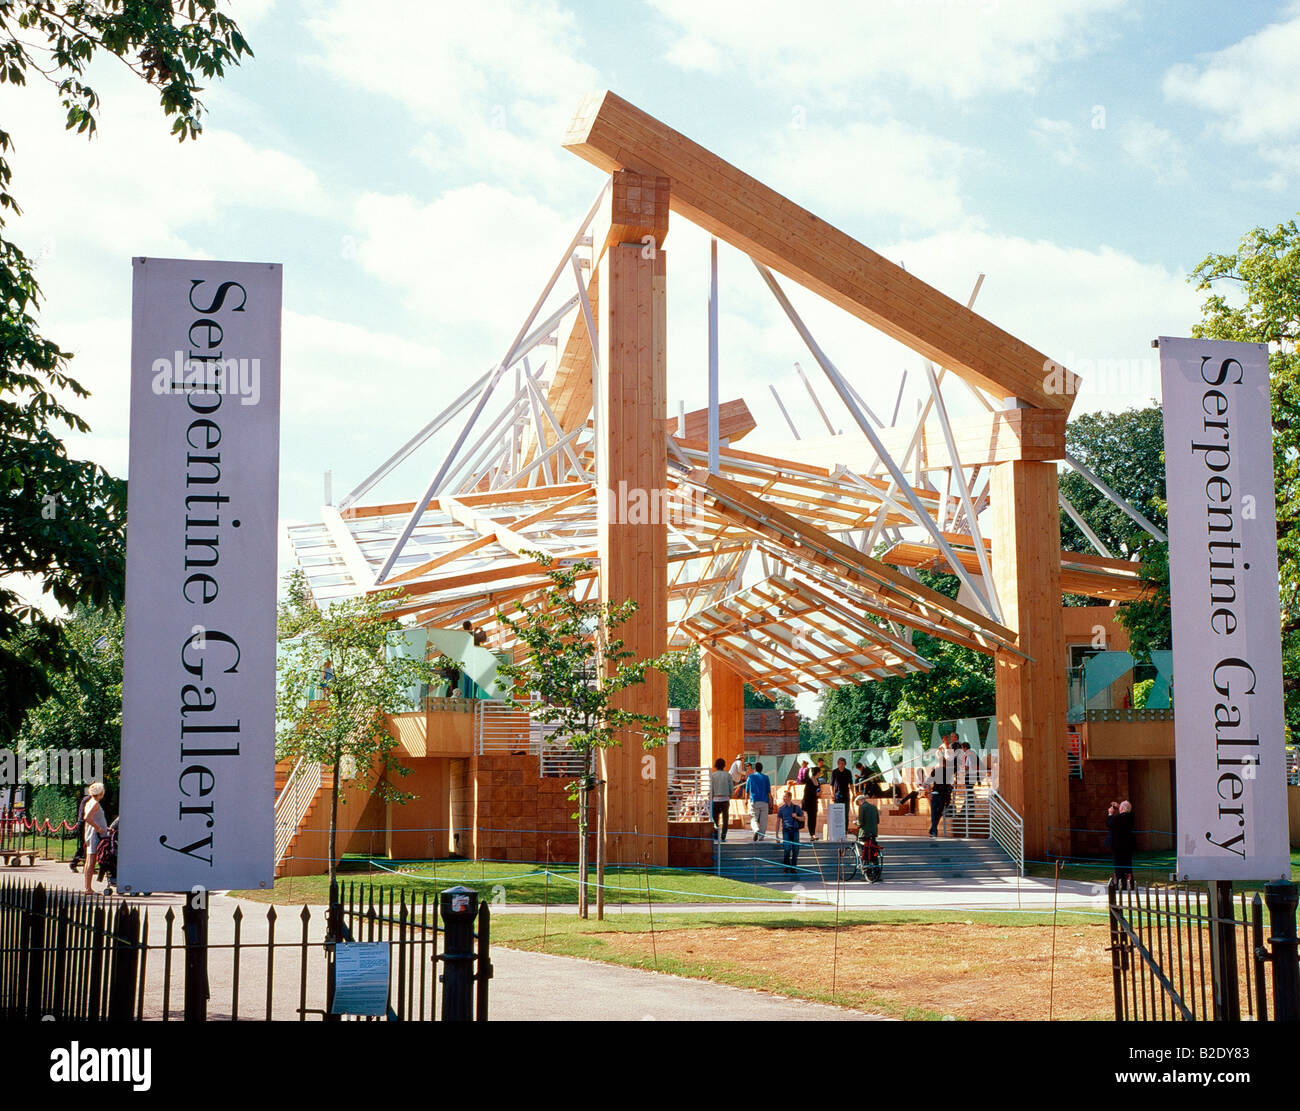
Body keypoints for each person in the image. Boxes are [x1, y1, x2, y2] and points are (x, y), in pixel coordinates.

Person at [82, 783, 108, 894]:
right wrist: (99, 828)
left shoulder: (89, 802)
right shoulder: (95, 803)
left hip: (91, 833)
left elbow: (94, 818)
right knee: (91, 860)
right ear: (101, 793)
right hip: (94, 834)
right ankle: (88, 888)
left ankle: (87, 887)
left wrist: (104, 827)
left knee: (89, 860)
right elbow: (87, 818)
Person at [1107, 800, 1136, 890]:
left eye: (1120, 808)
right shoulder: (1131, 817)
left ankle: (1120, 884)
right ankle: (1129, 883)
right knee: (1127, 864)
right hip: (1128, 845)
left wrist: (1110, 814)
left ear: (1122, 809)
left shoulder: (1117, 818)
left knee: (1118, 864)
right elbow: (1126, 812)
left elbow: (1109, 823)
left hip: (1118, 845)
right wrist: (1120, 806)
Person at [776, 790, 805, 872]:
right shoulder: (781, 809)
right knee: (787, 849)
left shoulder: (797, 808)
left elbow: (803, 819)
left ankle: (793, 867)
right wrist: (776, 835)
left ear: (789, 797)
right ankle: (786, 866)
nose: (783, 798)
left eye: (785, 796)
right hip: (786, 830)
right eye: (783, 796)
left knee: (796, 849)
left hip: (795, 830)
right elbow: (777, 822)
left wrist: (797, 817)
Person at [746, 761, 773, 841]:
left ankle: (756, 829)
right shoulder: (766, 777)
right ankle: (761, 837)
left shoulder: (750, 777)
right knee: (763, 821)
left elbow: (747, 790)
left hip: (754, 801)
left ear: (755, 769)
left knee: (753, 818)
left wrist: (746, 800)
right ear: (762, 769)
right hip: (764, 801)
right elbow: (769, 792)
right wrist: (770, 801)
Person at [710, 758, 734, 844]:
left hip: (715, 799)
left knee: (715, 818)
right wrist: (730, 795)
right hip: (725, 799)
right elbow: (731, 787)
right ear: (724, 765)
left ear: (716, 765)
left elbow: (711, 788)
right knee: (725, 819)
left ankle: (716, 835)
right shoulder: (727, 775)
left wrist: (711, 797)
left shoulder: (713, 775)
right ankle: (723, 835)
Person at [856, 792, 881, 873]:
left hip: (864, 833)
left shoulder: (862, 807)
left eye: (858, 803)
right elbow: (877, 821)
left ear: (860, 800)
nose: (858, 804)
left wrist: (856, 823)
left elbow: (861, 822)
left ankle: (867, 870)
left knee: (864, 850)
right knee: (873, 851)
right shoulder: (874, 807)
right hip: (873, 832)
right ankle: (876, 870)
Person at [829, 757, 854, 834]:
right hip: (837, 795)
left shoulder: (848, 772)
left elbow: (851, 784)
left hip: (846, 795)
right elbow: (831, 785)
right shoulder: (834, 772)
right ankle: (837, 830)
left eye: (843, 763)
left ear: (845, 764)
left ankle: (845, 830)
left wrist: (853, 794)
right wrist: (832, 794)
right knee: (837, 813)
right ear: (838, 764)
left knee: (846, 813)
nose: (841, 765)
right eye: (840, 763)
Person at [801, 761, 823, 840]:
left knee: (814, 818)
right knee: (810, 818)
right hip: (809, 802)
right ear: (817, 772)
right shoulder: (809, 781)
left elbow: (818, 789)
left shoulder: (818, 781)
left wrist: (819, 792)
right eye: (819, 772)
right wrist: (815, 793)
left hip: (814, 802)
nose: (820, 774)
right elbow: (807, 792)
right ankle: (812, 834)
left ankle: (813, 834)